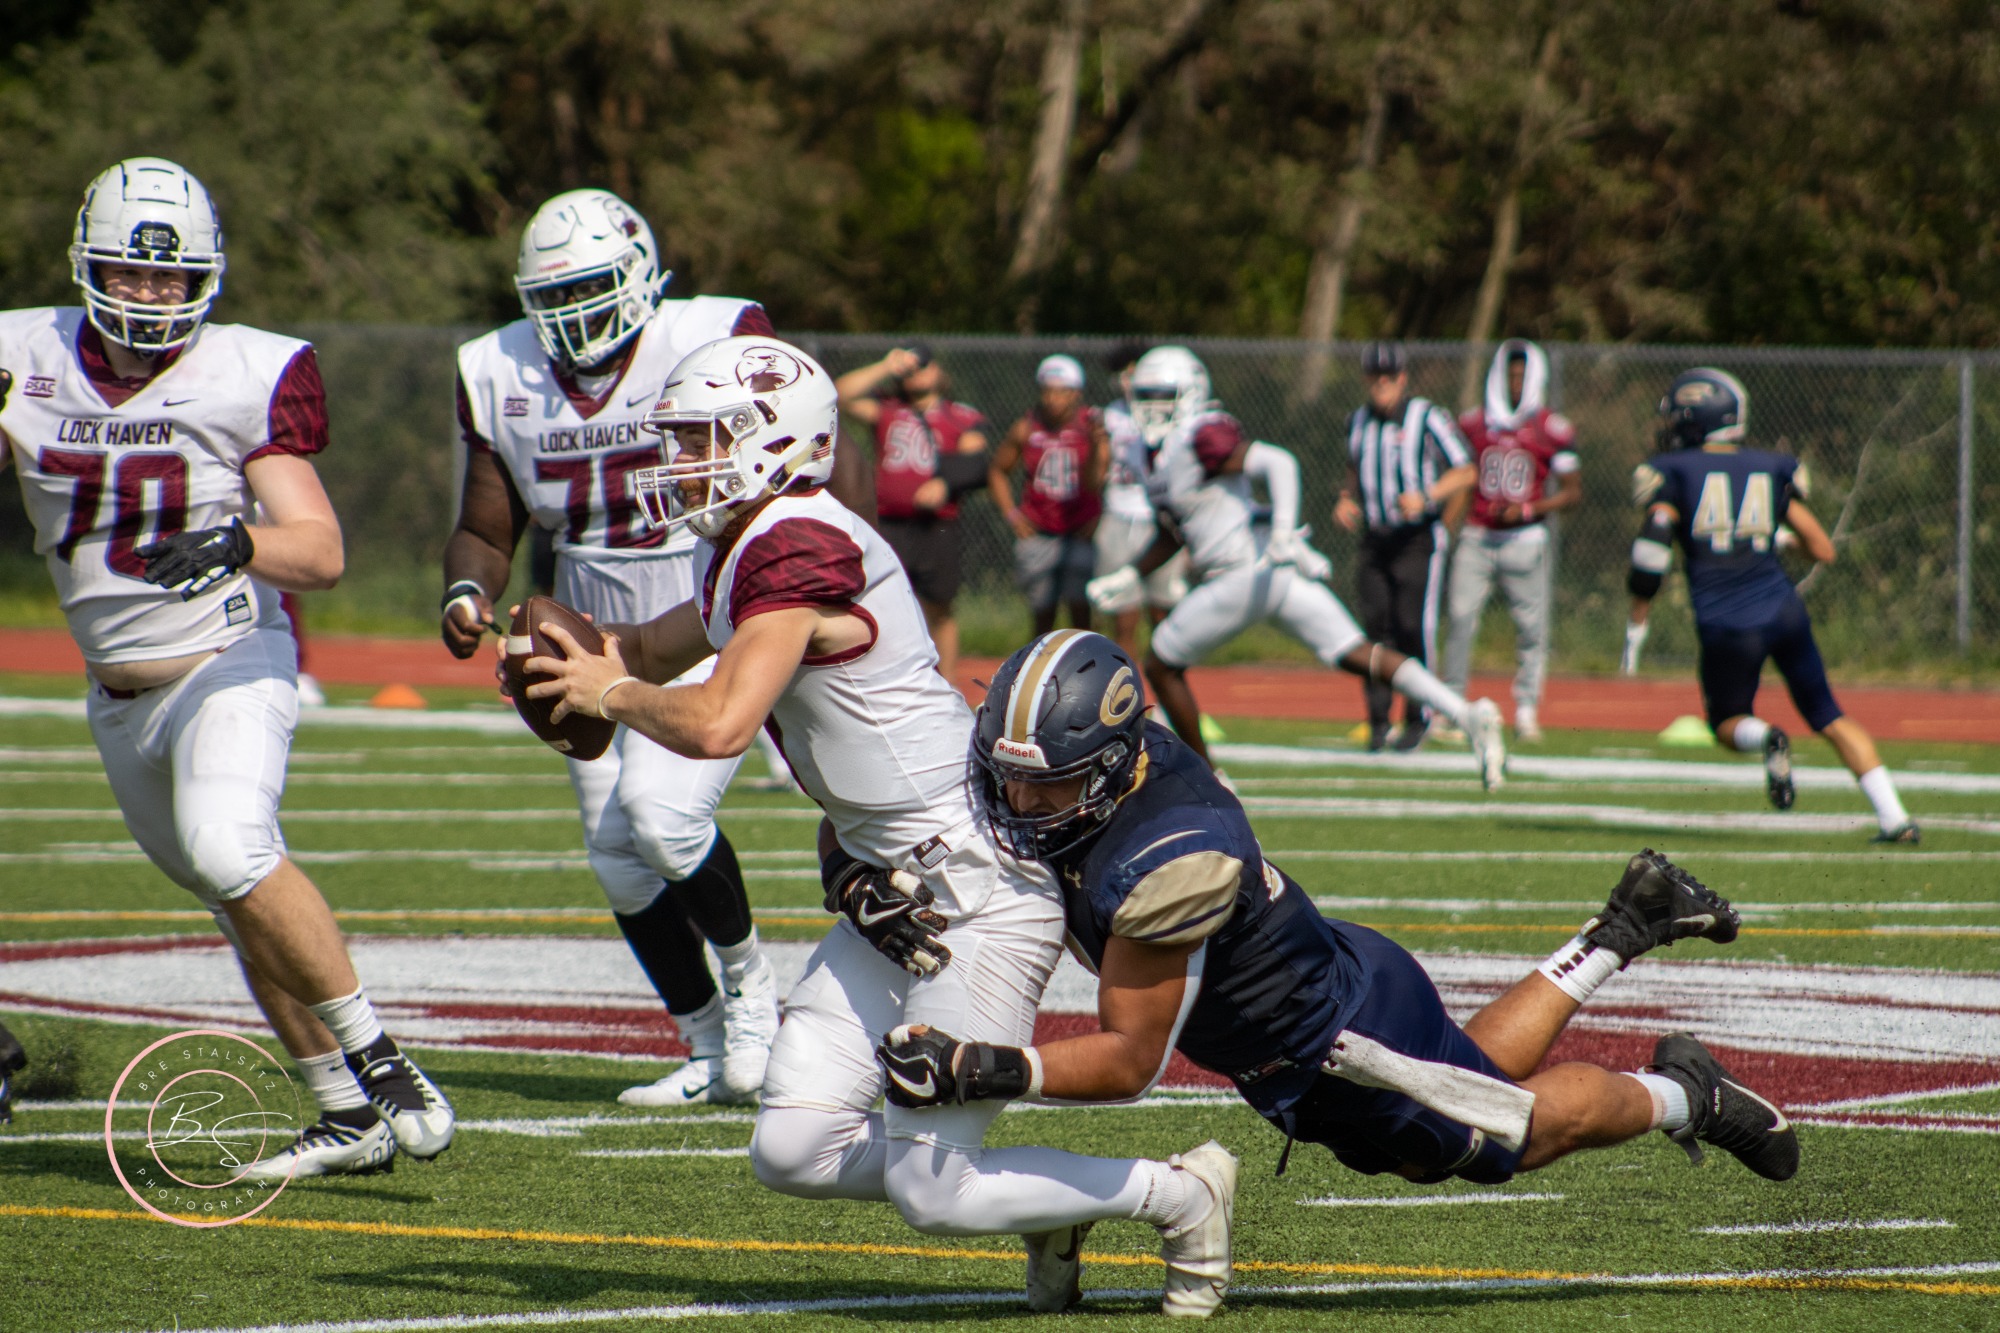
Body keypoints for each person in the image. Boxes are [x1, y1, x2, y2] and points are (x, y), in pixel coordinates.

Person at [524, 335, 1239, 1319]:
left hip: (977, 888)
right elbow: (641, 647)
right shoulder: (737, 544)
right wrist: (546, 652)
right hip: (893, 885)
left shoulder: (797, 543)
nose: (678, 460)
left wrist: (608, 692)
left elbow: (720, 721)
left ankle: (1179, 1192)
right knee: (791, 1148)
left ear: (773, 441)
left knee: (932, 1190)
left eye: (700, 438)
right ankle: (1046, 1201)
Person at [877, 629, 1801, 1314]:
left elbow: (1128, 1060)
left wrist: (983, 1066)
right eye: (1009, 772)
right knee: (1474, 1075)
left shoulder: (1170, 861)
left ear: (1117, 763)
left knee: (1511, 1134)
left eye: (1049, 782)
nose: (1019, 799)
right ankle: (1627, 924)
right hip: (1325, 990)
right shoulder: (1109, 772)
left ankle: (1686, 1094)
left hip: (1346, 1041)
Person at [0, 157, 453, 1179]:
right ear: (86, 267)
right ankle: (346, 1114)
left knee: (229, 847)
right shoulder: (23, 354)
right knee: (235, 897)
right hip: (116, 692)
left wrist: (239, 542)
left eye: (172, 276)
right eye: (131, 272)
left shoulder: (245, 369)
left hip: (227, 657)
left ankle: (382, 1061)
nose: (151, 295)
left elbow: (322, 552)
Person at [440, 188, 781, 1106]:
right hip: (590, 635)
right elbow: (486, 525)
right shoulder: (497, 368)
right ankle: (706, 1042)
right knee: (618, 856)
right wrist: (467, 590)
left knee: (661, 817)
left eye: (588, 289)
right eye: (552, 296)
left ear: (637, 276)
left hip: (702, 606)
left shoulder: (710, 335)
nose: (570, 313)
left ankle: (754, 994)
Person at [1089, 346, 1507, 789]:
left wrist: (1285, 532)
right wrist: (1130, 575)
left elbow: (1279, 462)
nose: (1151, 407)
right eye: (1145, 395)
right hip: (1269, 573)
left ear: (1190, 394)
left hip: (1243, 571)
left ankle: (1212, 782)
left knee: (1160, 664)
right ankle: (1467, 713)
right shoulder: (1151, 454)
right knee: (1356, 653)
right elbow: (1176, 531)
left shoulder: (1202, 435)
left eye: (1162, 395)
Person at [1624, 368, 1919, 842]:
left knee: (1725, 722)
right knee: (1829, 715)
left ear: (1695, 419)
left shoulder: (1674, 471)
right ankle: (1896, 818)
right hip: (1784, 611)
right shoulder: (1768, 466)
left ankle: (1766, 738)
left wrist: (1637, 622)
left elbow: (1652, 550)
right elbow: (1822, 549)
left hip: (1727, 622)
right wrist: (1777, 538)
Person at [1335, 342, 1477, 751]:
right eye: (1374, 377)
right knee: (1373, 630)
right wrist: (1345, 499)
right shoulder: (1357, 420)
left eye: (1389, 377)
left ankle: (1419, 717)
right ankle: (1379, 721)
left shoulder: (1426, 416)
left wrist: (1427, 496)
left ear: (1402, 378)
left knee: (1412, 627)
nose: (1381, 385)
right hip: (1375, 538)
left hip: (1416, 538)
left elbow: (1466, 470)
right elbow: (1353, 468)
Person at [1440, 340, 1583, 745]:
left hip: (1524, 538)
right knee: (1460, 618)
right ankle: (1451, 706)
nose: (1515, 383)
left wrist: (1528, 509)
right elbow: (1459, 473)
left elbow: (1572, 492)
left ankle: (1526, 709)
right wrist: (1447, 523)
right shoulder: (1473, 423)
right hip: (1478, 534)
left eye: (1522, 376)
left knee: (1531, 629)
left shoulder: (1552, 428)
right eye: (1510, 375)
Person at [834, 344, 989, 680]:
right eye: (910, 368)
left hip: (936, 526)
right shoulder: (888, 409)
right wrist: (886, 366)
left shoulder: (958, 416)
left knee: (940, 608)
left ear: (938, 371)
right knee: (884, 605)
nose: (916, 372)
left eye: (922, 366)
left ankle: (948, 685)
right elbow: (839, 395)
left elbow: (977, 463)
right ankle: (890, 680)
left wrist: (945, 482)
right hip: (890, 524)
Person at [989, 354, 1110, 637]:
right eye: (1048, 391)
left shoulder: (1091, 427)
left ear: (1076, 394)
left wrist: (1096, 446)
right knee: (1042, 611)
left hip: (1080, 529)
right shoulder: (1027, 426)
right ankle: (1041, 663)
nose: (1053, 399)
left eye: (1062, 392)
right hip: (1039, 530)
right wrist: (1012, 514)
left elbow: (1096, 483)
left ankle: (1085, 663)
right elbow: (997, 470)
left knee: (1081, 609)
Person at [1093, 340, 1187, 661]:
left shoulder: (1173, 413)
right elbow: (1097, 476)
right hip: (1119, 514)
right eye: (1123, 374)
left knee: (1165, 614)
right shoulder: (1109, 417)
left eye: (1133, 372)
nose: (1128, 380)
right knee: (1123, 616)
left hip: (1157, 518)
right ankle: (1127, 687)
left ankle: (1165, 684)